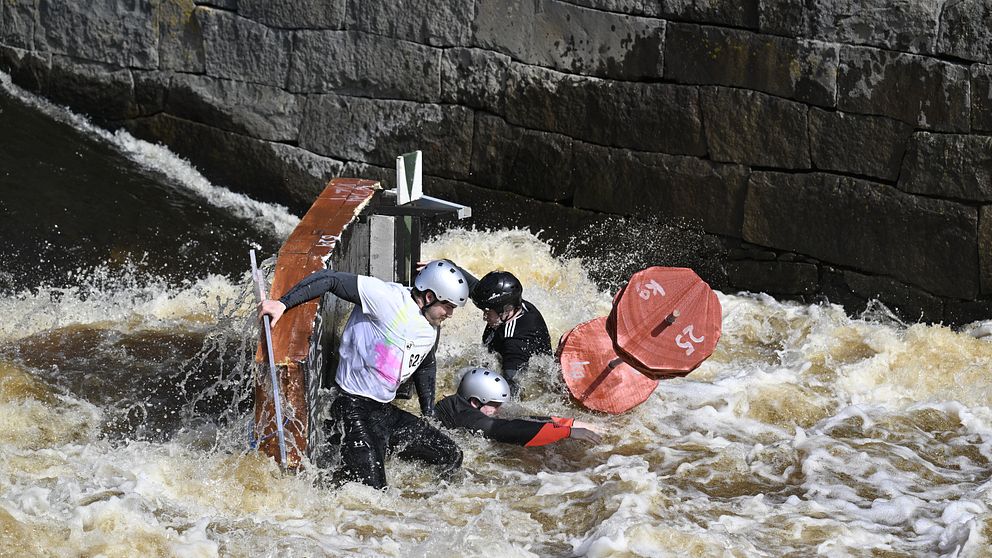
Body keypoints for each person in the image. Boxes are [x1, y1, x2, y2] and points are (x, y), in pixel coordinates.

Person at [259, 260, 469, 489]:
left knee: (451, 456)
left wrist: (428, 413)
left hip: (384, 412)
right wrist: (282, 304)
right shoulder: (386, 298)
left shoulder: (431, 324)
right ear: (429, 297)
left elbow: (426, 362)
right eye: (447, 306)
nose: (449, 314)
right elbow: (331, 278)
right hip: (352, 408)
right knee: (375, 494)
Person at [435, 367, 604, 446]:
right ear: (475, 402)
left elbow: (516, 421)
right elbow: (512, 430)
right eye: (494, 405)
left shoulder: (458, 402)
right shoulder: (469, 418)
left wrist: (568, 422)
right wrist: (567, 432)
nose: (497, 410)